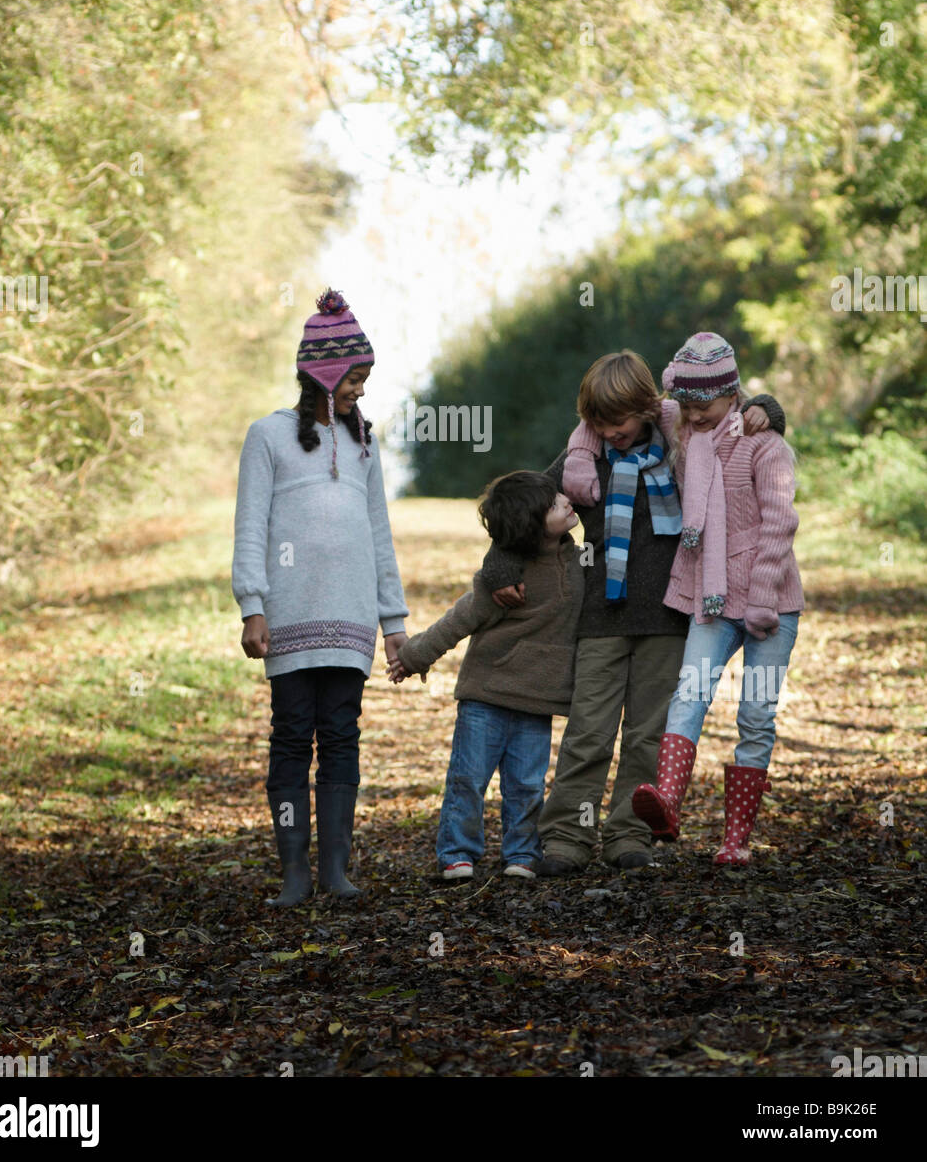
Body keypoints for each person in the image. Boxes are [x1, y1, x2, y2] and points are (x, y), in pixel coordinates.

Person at [481, 351, 785, 873]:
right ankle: (566, 839)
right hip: (600, 617)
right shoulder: (586, 454)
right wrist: (501, 563)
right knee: (588, 732)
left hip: (670, 616)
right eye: (595, 423)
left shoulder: (683, 441)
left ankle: (629, 836)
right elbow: (529, 503)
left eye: (615, 421)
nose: (606, 431)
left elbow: (730, 422)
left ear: (648, 407)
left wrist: (767, 409)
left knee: (649, 733)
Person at [232, 289, 408, 905]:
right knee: (290, 737)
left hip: (350, 619)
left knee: (341, 737)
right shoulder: (268, 437)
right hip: (289, 619)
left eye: (365, 378)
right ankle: (294, 872)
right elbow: (251, 525)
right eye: (355, 378)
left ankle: (336, 868)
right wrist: (252, 604)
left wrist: (394, 621)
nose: (361, 389)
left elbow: (378, 532)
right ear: (325, 374)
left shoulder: (365, 443)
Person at [632, 332, 804, 866]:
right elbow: (614, 407)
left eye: (703, 405)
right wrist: (574, 462)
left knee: (756, 713)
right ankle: (667, 800)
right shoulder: (682, 428)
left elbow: (779, 524)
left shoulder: (765, 444)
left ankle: (737, 840)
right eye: (685, 404)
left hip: (771, 604)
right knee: (690, 694)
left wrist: (762, 598)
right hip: (710, 598)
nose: (694, 415)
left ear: (733, 395)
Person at [389, 472, 583, 880]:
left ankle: (521, 854)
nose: (566, 500)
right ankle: (457, 852)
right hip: (487, 693)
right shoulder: (506, 579)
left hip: (538, 699)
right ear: (531, 524)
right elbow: (460, 618)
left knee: (527, 784)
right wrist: (414, 656)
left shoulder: (580, 560)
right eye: (553, 503)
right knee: (467, 778)